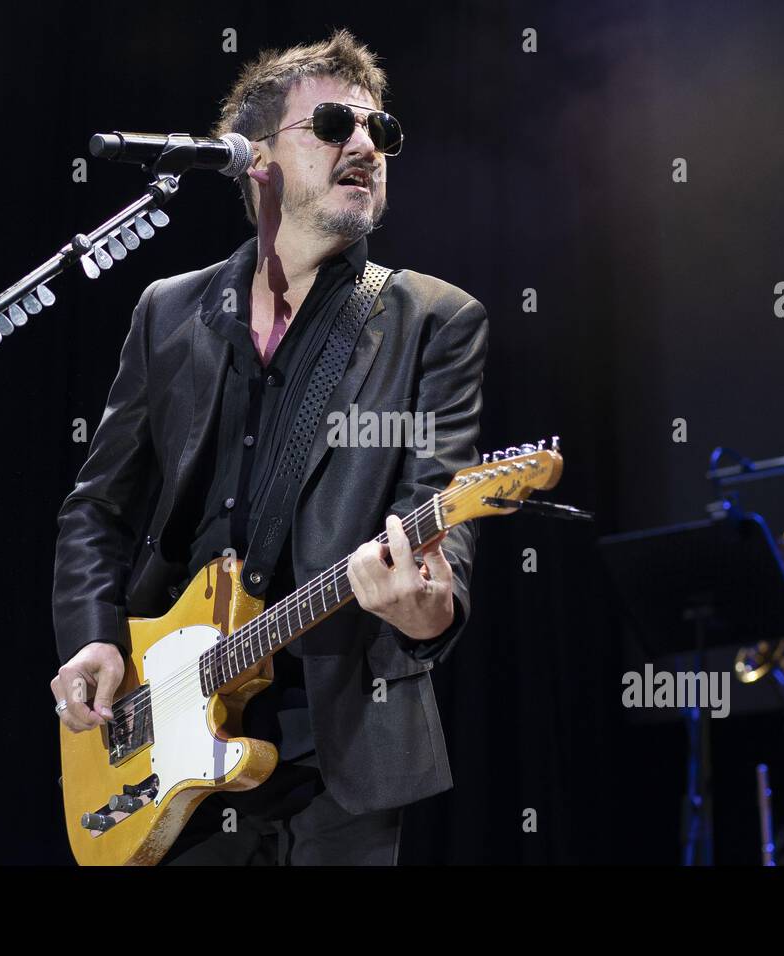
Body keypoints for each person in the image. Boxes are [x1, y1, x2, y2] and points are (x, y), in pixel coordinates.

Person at [48, 29, 487, 865]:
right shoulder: (168, 312)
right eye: (332, 127)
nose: (364, 144)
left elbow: (442, 516)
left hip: (336, 755)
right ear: (254, 160)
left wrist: (427, 607)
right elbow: (97, 508)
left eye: (379, 131)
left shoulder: (432, 320)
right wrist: (92, 638)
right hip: (162, 738)